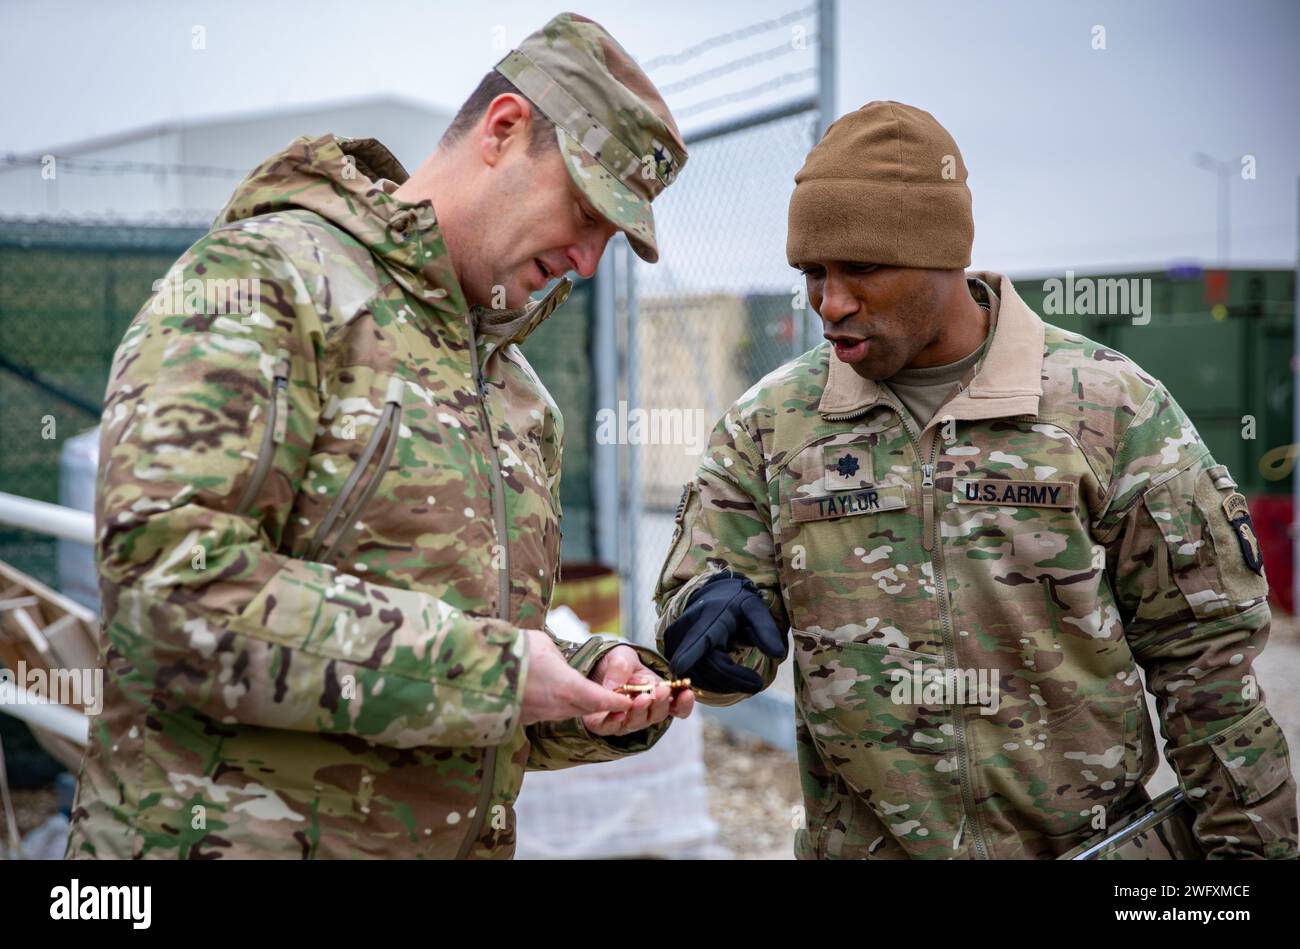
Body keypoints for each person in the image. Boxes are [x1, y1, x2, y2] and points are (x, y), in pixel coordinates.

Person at [68, 11, 693, 860]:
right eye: (585, 210)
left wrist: (586, 683)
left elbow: (460, 690)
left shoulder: (516, 396)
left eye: (610, 238)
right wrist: (501, 671)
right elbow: (168, 595)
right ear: (504, 130)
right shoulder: (265, 282)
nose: (588, 261)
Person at [655, 100, 1297, 859]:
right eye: (812, 273)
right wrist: (706, 627)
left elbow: (1207, 670)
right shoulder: (772, 426)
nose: (831, 304)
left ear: (943, 254)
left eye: (860, 268)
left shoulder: (1106, 408)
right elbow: (723, 657)